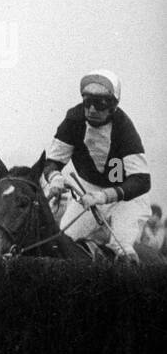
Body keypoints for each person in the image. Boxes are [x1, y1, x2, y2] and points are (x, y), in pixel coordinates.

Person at [41, 69, 152, 261]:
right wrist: (56, 179)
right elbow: (52, 163)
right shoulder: (73, 120)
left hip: (125, 197)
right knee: (64, 242)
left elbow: (142, 181)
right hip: (87, 190)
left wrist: (103, 196)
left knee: (122, 248)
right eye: (87, 102)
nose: (92, 110)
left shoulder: (124, 128)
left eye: (100, 104)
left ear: (113, 106)